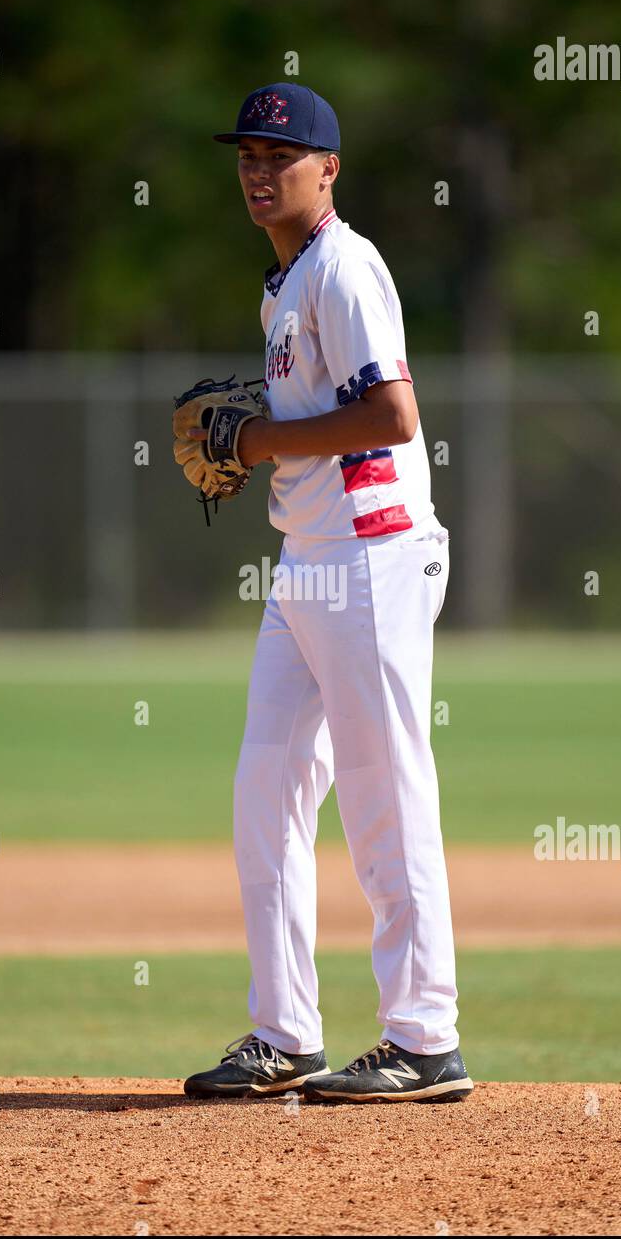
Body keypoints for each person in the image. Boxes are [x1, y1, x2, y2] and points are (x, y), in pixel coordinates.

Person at [183, 83, 473, 1104]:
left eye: (281, 152)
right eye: (247, 153)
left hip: (371, 555)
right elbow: (323, 407)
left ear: (327, 169)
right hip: (304, 561)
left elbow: (391, 415)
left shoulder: (343, 269)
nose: (259, 169)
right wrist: (258, 425)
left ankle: (424, 1036)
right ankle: (284, 1032)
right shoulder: (283, 283)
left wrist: (253, 438)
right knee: (264, 793)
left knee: (384, 790)